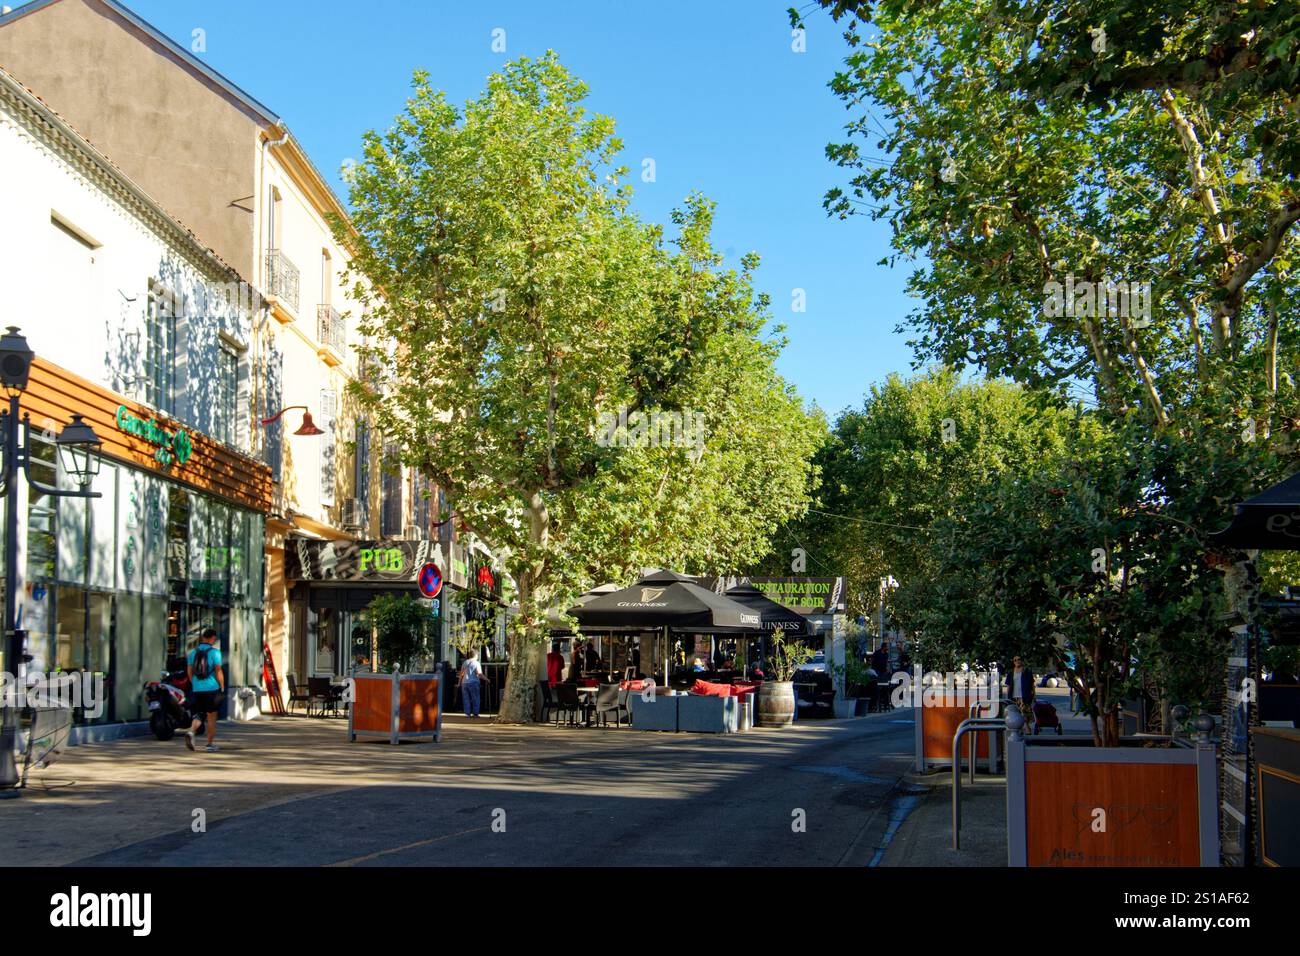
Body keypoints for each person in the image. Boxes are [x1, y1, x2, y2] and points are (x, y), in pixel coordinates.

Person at [185, 627, 224, 753]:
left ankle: (191, 731)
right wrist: (221, 685)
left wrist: (195, 684)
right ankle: (209, 744)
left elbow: (189, 672)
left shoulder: (192, 653)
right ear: (212, 638)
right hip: (212, 688)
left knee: (200, 714)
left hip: (197, 689)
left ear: (202, 638)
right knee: (211, 717)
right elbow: (218, 670)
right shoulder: (215, 653)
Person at [1006, 655, 1035, 728]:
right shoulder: (1011, 672)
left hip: (1024, 696)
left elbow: (1032, 684)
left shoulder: (1027, 671)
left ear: (1021, 660)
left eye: (1018, 659)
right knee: (1015, 716)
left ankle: (1028, 731)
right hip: (1014, 697)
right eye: (1015, 660)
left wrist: (1034, 696)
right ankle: (1020, 731)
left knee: (1025, 716)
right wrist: (1008, 697)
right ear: (1013, 662)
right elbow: (1008, 685)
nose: (1017, 661)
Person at [459, 649, 484, 717]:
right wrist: (487, 679)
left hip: (464, 683)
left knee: (466, 698)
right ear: (475, 655)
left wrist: (459, 683)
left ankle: (467, 713)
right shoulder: (476, 663)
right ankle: (475, 713)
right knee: (475, 698)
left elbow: (461, 674)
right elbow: (479, 674)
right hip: (474, 683)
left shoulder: (465, 662)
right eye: (478, 655)